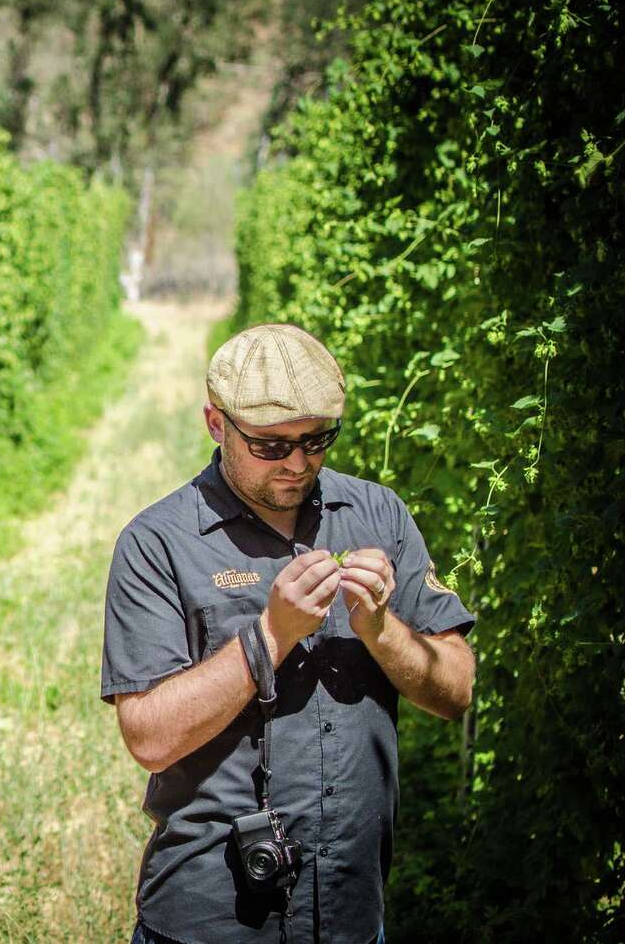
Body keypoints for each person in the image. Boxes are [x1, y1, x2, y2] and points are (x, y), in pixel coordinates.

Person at [100, 324, 476, 944]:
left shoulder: (378, 515)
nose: (298, 464)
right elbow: (149, 736)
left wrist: (381, 630)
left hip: (351, 908)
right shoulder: (157, 543)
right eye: (272, 446)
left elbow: (455, 688)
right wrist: (270, 637)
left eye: (316, 441)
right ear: (216, 425)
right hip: (211, 916)